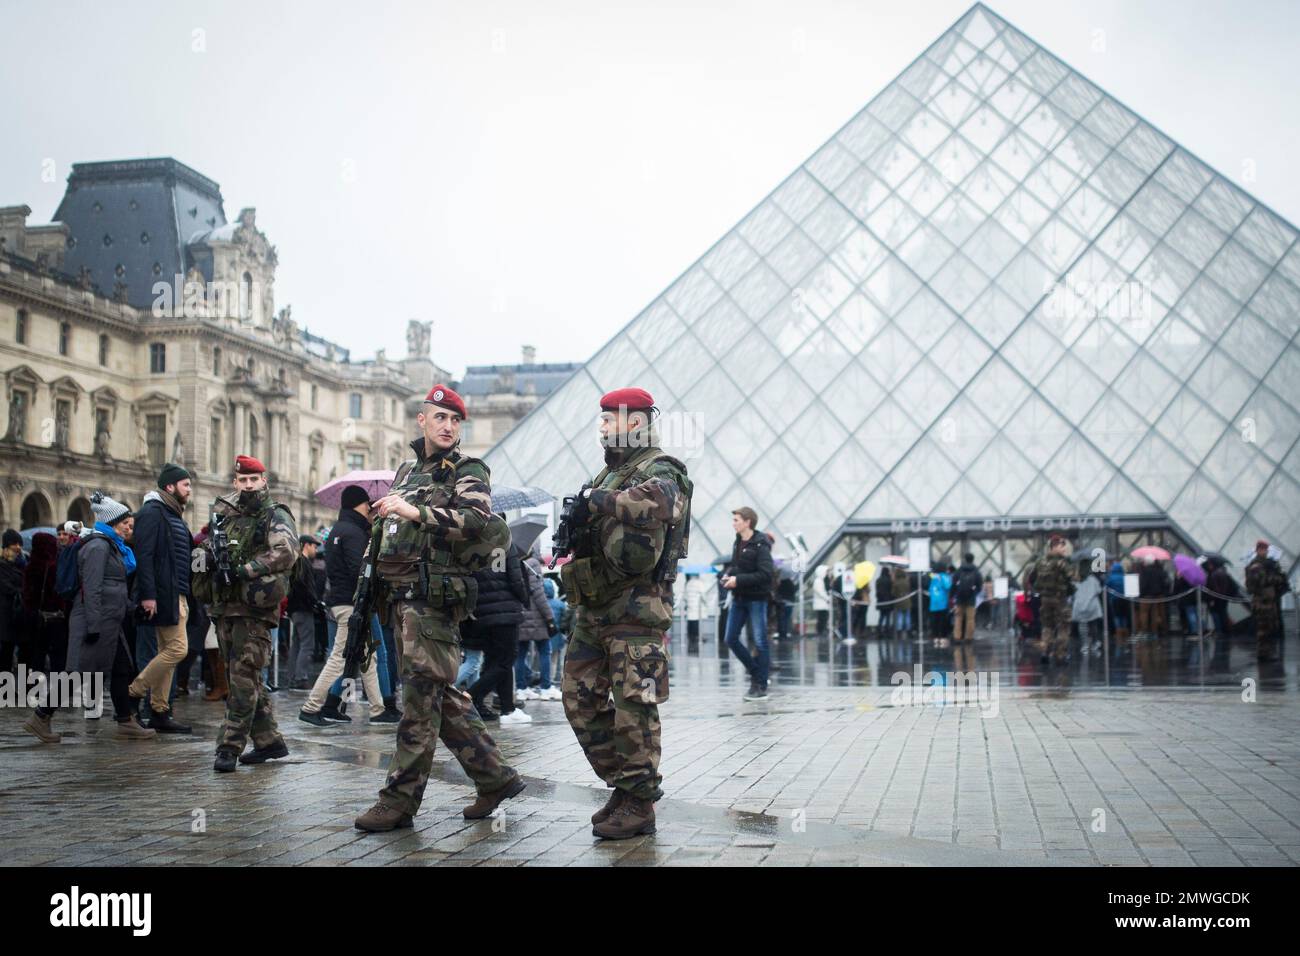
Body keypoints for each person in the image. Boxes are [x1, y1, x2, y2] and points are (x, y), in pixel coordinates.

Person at [354, 384, 525, 832]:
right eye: (440, 417)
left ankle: (398, 801)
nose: (448, 426)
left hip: (434, 603)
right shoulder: (407, 471)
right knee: (436, 694)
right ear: (422, 419)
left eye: (455, 420)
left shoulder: (468, 470)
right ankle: (496, 777)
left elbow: (474, 521)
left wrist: (414, 513)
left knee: (417, 703)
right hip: (401, 599)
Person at [559, 386, 690, 840]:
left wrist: (594, 501)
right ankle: (626, 785)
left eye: (608, 418)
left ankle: (639, 803)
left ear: (634, 421)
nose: (601, 425)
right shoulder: (607, 473)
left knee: (635, 704)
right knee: (578, 699)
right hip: (594, 606)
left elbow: (660, 503)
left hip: (637, 608)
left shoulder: (661, 467)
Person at [204, 455, 298, 772]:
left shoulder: (275, 513)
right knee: (245, 676)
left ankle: (228, 747)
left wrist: (244, 570)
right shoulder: (224, 514)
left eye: (253, 480)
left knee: (242, 677)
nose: (248, 485)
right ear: (235, 482)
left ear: (263, 480)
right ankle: (269, 742)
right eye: (242, 480)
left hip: (255, 608)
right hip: (225, 607)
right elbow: (206, 546)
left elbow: (285, 551)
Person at [300, 485, 399, 724]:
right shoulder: (354, 532)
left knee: (369, 656)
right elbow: (361, 569)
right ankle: (311, 707)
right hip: (352, 603)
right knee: (340, 658)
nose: (369, 507)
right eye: (366, 503)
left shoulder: (338, 529)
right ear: (358, 503)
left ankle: (378, 709)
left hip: (344, 601)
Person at [128, 463, 195, 734]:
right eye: (186, 485)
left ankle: (159, 711)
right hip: (163, 596)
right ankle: (133, 693)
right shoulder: (152, 513)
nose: (190, 490)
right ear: (170, 486)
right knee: (178, 649)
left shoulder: (172, 513)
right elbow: (144, 556)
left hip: (176, 592)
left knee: (168, 652)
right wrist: (148, 595)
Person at [722, 507, 774, 700]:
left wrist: (738, 580)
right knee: (730, 639)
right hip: (739, 597)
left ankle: (761, 685)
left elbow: (765, 574)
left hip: (756, 599)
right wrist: (728, 575)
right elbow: (738, 566)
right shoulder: (738, 542)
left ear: (747, 522)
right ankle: (756, 672)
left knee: (760, 642)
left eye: (736, 520)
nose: (733, 523)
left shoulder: (761, 544)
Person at [20, 532, 67, 675]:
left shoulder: (29, 566)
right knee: (57, 658)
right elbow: (58, 594)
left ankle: (29, 691)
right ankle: (58, 693)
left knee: (33, 656)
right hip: (52, 618)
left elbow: (26, 594)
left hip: (32, 618)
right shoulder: (53, 567)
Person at [516, 550, 560, 702]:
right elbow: (539, 595)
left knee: (521, 654)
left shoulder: (515, 562)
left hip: (521, 616)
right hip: (536, 618)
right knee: (544, 652)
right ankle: (546, 688)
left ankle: (521, 689)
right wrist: (549, 617)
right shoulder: (533, 564)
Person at [1025, 534, 1075, 664]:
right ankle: (1060, 655)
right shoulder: (1062, 563)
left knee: (1047, 626)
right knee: (1063, 626)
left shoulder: (1040, 561)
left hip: (1045, 599)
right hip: (1060, 599)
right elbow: (1072, 578)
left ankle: (1045, 651)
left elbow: (1031, 579)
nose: (1064, 549)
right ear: (1054, 547)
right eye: (1061, 547)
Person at [287, 534, 324, 689]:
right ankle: (300, 678)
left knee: (297, 644)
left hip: (296, 609)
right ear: (306, 545)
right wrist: (314, 602)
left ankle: (292, 677)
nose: (316, 549)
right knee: (307, 645)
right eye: (314, 546)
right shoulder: (303, 563)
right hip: (303, 609)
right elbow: (305, 587)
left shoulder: (298, 562)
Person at [1245, 539, 1289, 662]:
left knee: (1270, 627)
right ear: (1259, 550)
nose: (1266, 552)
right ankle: (1263, 653)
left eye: (1266, 549)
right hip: (1262, 602)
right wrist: (1277, 577)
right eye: (1264, 549)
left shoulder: (1265, 564)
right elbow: (1262, 582)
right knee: (1263, 628)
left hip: (1268, 601)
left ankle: (1267, 652)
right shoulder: (1256, 565)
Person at [0, 529, 24, 674]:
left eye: (19, 544)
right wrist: (22, 590)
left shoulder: (19, 563)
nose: (18, 547)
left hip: (14, 616)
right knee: (5, 653)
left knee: (9, 652)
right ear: (7, 546)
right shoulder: (2, 566)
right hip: (5, 615)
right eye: (15, 543)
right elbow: (8, 587)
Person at [1071, 565, 1103, 655]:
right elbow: (1099, 590)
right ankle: (1095, 642)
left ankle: (1084, 644)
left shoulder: (1075, 580)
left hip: (1080, 605)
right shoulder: (1093, 579)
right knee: (1093, 624)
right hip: (1091, 606)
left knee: (1082, 625)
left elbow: (1072, 592)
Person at [952, 553, 982, 644]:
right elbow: (979, 585)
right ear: (973, 559)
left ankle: (957, 637)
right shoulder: (976, 571)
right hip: (971, 598)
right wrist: (974, 592)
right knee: (970, 619)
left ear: (965, 559)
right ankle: (969, 637)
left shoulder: (960, 570)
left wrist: (957, 592)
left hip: (960, 597)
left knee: (958, 617)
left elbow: (954, 582)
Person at [1136, 556, 1168, 639]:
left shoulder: (1144, 572)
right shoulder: (1158, 571)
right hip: (1156, 595)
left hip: (1146, 595)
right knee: (1155, 614)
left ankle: (1145, 631)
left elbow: (1143, 584)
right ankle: (1155, 632)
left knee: (1144, 614)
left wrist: (1141, 594)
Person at [875, 564, 894, 638]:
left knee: (881, 616)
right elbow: (891, 590)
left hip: (880, 601)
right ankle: (887, 632)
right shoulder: (889, 580)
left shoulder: (878, 580)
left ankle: (879, 631)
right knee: (888, 617)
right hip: (888, 601)